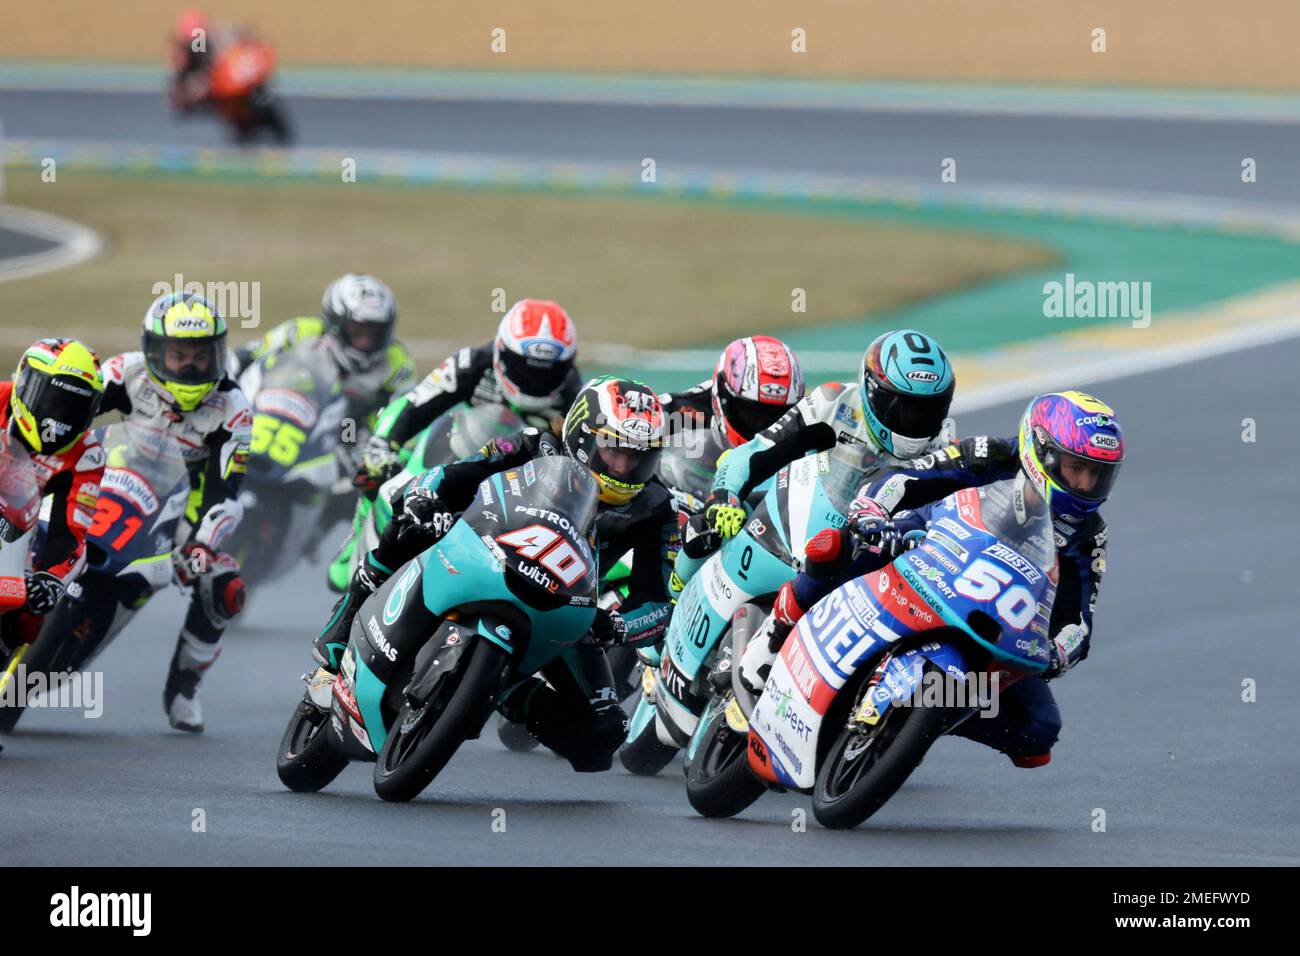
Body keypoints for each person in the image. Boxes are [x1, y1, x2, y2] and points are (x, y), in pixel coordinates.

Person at [738, 390, 1124, 768]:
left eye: (1097, 475)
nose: (1086, 486)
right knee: (842, 546)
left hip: (991, 618)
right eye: (1076, 469)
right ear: (1041, 453)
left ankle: (918, 718)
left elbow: (1078, 622)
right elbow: (908, 475)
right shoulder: (991, 455)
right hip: (923, 552)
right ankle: (775, 631)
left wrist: (1058, 652)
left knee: (1039, 731)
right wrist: (874, 509)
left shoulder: (1089, 534)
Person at [310, 376, 679, 771]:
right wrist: (427, 496)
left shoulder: (656, 507)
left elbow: (656, 600)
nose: (625, 465)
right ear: (583, 435)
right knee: (407, 525)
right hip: (481, 550)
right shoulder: (535, 444)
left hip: (563, 603)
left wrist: (620, 628)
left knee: (603, 733)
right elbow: (462, 471)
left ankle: (506, 689)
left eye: (639, 455)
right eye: (614, 449)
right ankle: (336, 642)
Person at [100, 292, 253, 733]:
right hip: (106, 483)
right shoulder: (123, 372)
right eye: (178, 355)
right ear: (154, 351)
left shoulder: (233, 408)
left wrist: (204, 543)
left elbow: (227, 491)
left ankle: (183, 688)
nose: (188, 367)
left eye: (200, 357)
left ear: (218, 355)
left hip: (181, 512)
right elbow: (70, 415)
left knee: (227, 587)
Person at [683, 328, 955, 570]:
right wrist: (723, 496)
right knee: (703, 531)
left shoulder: (944, 446)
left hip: (871, 556)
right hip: (797, 526)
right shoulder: (833, 403)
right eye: (904, 409)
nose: (915, 422)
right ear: (873, 391)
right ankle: (676, 594)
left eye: (927, 411)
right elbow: (757, 451)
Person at [351, 298, 582, 497]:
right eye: (525, 369)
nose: (535, 381)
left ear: (568, 366)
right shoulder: (472, 364)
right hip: (448, 464)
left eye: (549, 372)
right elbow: (415, 403)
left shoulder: (575, 399)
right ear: (500, 352)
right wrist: (382, 446)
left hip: (520, 490)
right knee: (375, 478)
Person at [0, 339, 105, 653]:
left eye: (73, 407)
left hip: (17, 534)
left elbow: (71, 533)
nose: (58, 419)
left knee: (30, 619)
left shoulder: (87, 455)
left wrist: (51, 579)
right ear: (25, 383)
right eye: (52, 401)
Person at [660, 335, 805, 449]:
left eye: (777, 417)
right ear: (723, 394)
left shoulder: (810, 420)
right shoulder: (672, 412)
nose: (761, 427)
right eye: (751, 413)